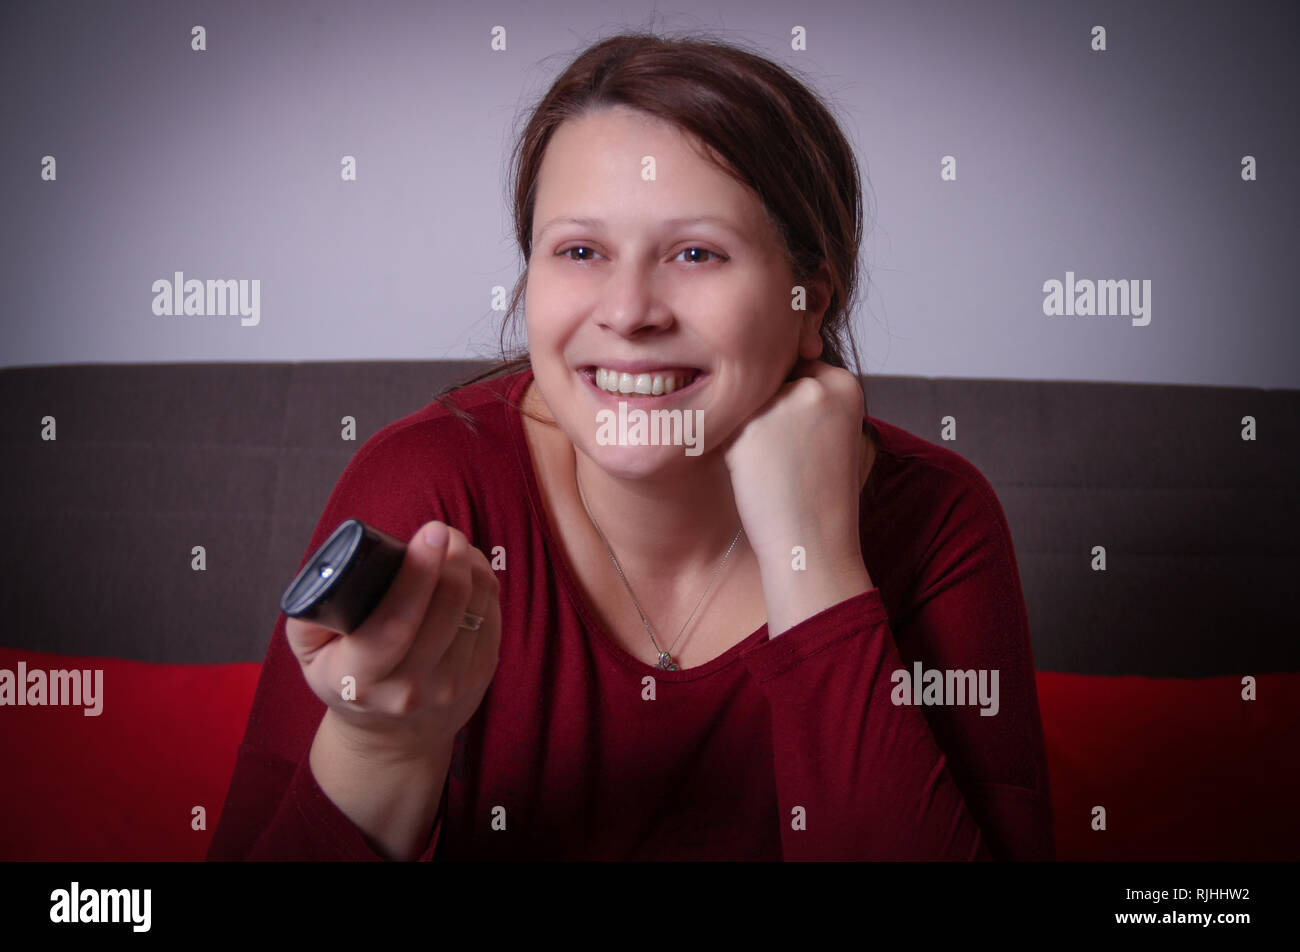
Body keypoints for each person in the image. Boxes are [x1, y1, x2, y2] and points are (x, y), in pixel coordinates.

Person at [206, 31, 1054, 862]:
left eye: (696, 253)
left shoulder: (937, 518)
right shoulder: (427, 484)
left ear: (810, 302)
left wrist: (818, 564)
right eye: (581, 251)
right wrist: (380, 748)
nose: (628, 311)